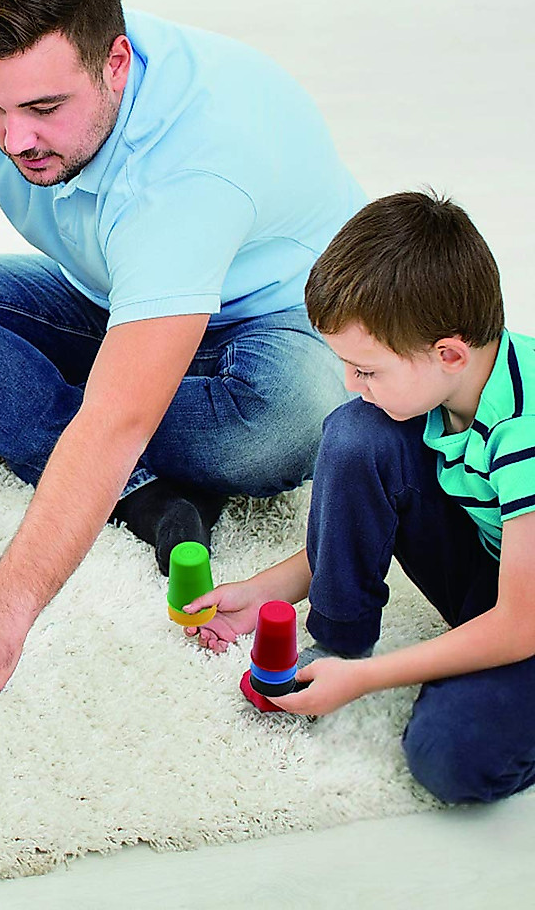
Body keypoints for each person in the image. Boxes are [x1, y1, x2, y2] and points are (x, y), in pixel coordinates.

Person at [0, 0, 362, 744]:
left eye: (45, 110)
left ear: (116, 63)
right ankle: (145, 489)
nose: (14, 137)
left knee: (288, 424)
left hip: (269, 323)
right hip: (117, 299)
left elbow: (114, 423)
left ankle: (93, 431)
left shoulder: (191, 165)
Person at [183, 192, 535, 804]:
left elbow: (520, 625)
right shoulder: (449, 385)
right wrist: (265, 592)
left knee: (451, 758)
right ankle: (339, 639)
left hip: (523, 613)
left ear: (449, 353)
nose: (350, 383)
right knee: (357, 432)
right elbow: (372, 507)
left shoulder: (522, 436)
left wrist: (366, 679)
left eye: (367, 370)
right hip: (501, 566)